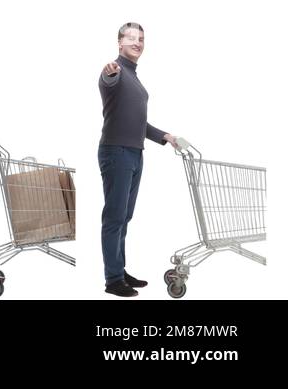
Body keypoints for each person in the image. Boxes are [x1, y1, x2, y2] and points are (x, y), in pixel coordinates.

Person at [98, 22, 183, 297]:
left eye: (141, 39)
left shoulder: (134, 76)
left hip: (134, 153)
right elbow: (107, 79)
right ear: (119, 43)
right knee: (114, 217)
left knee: (125, 216)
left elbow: (138, 123)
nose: (137, 42)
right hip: (116, 152)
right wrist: (109, 73)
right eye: (131, 38)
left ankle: (119, 269)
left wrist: (164, 136)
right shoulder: (116, 70)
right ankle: (113, 280)